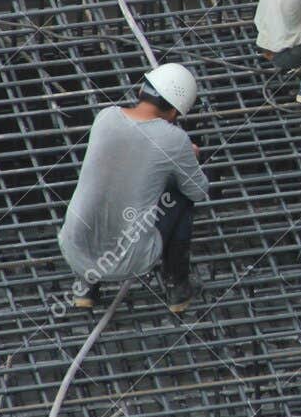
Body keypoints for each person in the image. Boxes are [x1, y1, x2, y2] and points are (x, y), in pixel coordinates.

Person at [59, 63, 210, 314]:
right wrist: (188, 157)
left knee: (101, 181)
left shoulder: (105, 117)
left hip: (74, 249)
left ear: (141, 90)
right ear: (174, 112)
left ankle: (85, 285)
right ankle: (177, 285)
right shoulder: (175, 140)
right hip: (128, 259)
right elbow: (197, 190)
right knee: (182, 194)